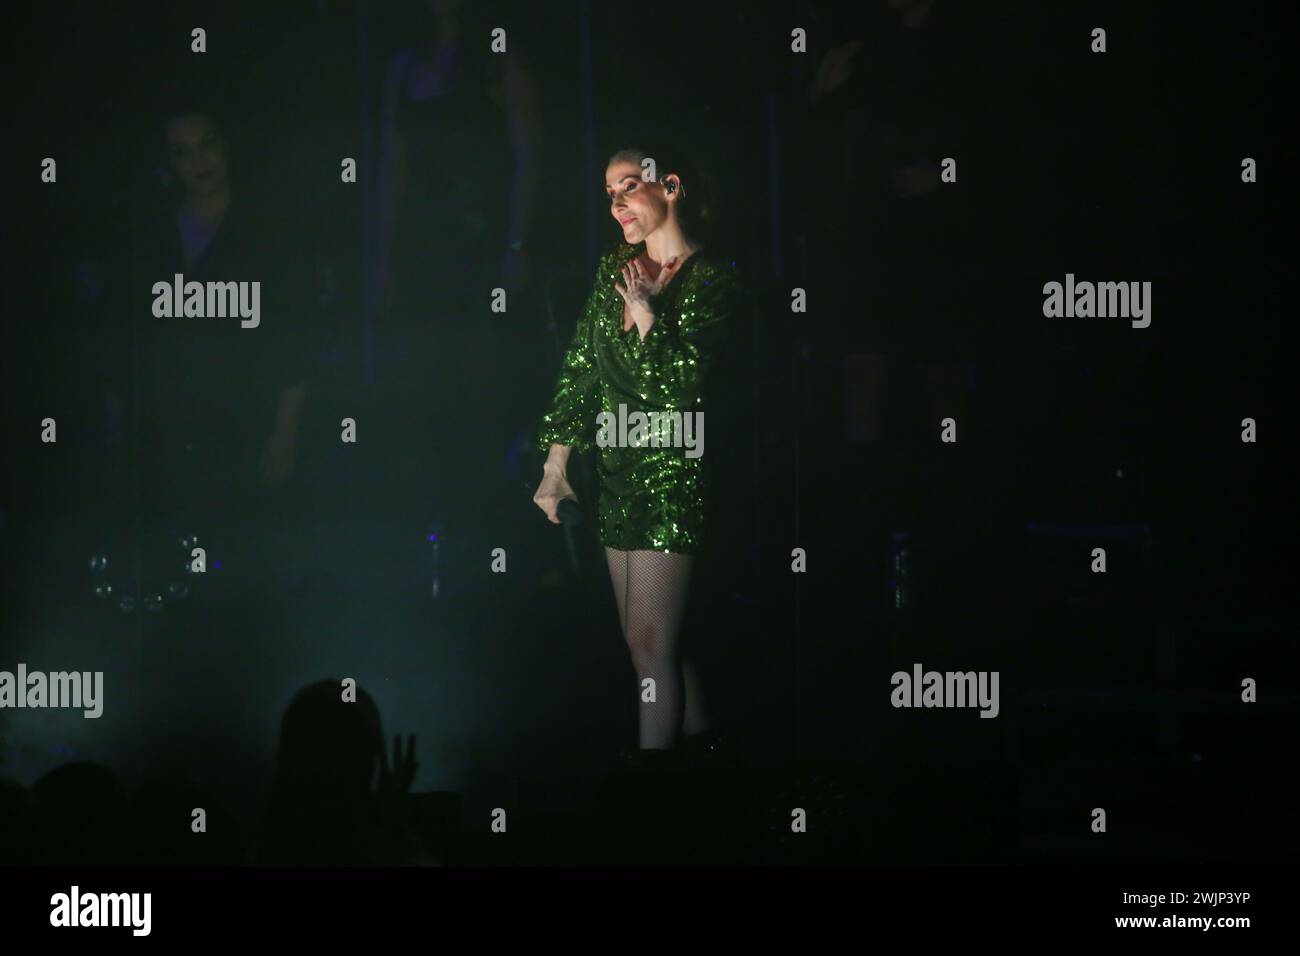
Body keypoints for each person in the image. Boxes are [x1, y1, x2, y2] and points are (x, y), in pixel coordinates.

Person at [533, 146, 741, 766]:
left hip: (674, 472)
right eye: (609, 193)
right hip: (617, 472)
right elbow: (583, 366)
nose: (617, 203)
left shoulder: (714, 278)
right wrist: (555, 465)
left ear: (669, 186)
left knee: (651, 644)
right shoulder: (615, 268)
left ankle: (651, 794)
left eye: (628, 186)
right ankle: (708, 758)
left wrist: (647, 313)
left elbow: (682, 387)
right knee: (650, 644)